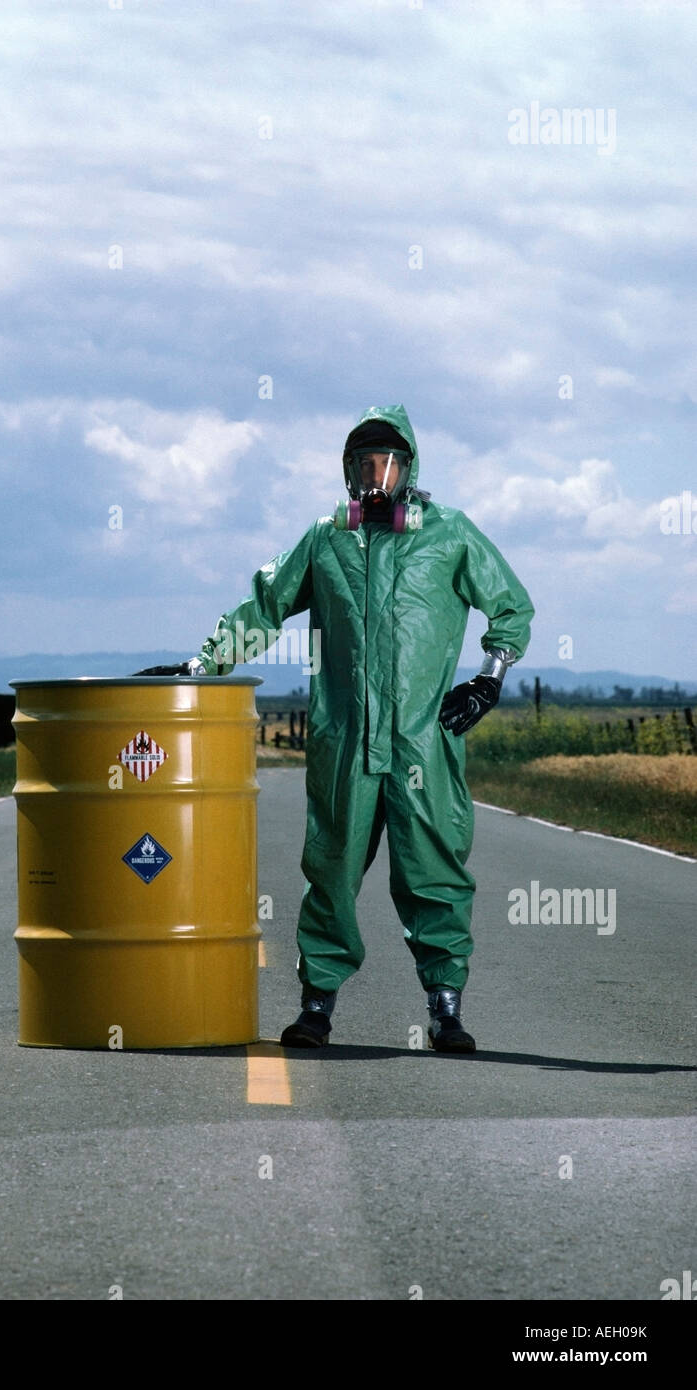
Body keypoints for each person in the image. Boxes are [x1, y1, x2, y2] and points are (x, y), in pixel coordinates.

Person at [143, 405, 534, 1051]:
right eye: (364, 464)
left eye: (387, 463)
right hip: (344, 742)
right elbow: (265, 605)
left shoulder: (450, 534)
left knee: (432, 873)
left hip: (422, 744)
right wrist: (201, 663)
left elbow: (509, 605)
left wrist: (487, 677)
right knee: (329, 872)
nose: (375, 476)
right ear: (348, 471)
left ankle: (444, 1008)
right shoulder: (326, 538)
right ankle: (316, 1005)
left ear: (409, 468)